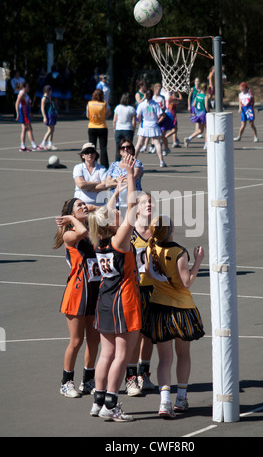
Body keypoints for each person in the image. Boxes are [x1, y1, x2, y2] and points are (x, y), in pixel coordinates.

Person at [89, 153, 142, 422]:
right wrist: (130, 178)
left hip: (105, 299)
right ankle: (112, 405)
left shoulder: (99, 240)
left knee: (106, 353)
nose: (116, 211)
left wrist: (115, 191)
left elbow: (105, 213)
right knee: (121, 354)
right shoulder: (120, 240)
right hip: (124, 298)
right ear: (110, 222)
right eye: (113, 213)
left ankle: (98, 402)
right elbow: (132, 207)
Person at [142, 215, 205, 418]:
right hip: (181, 309)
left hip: (158, 308)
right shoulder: (179, 252)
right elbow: (186, 282)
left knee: (164, 359)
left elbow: (148, 273)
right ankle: (181, 398)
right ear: (170, 230)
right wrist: (198, 262)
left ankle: (164, 402)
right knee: (183, 354)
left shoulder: (150, 250)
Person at [54, 198, 101, 398]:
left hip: (96, 290)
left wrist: (91, 208)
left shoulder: (93, 231)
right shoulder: (70, 235)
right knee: (76, 341)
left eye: (84, 204)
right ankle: (66, 382)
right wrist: (73, 219)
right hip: (77, 293)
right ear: (70, 214)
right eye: (78, 205)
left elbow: (107, 213)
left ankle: (88, 380)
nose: (83, 206)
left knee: (93, 340)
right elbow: (80, 232)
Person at [125, 192, 156, 396]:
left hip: (154, 290)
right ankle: (130, 378)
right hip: (135, 290)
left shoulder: (156, 232)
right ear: (135, 208)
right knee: (134, 335)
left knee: (149, 335)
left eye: (151, 201)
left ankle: (144, 374)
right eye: (144, 202)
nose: (149, 205)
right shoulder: (129, 233)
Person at [106, 139, 143, 218]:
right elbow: (107, 183)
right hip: (116, 203)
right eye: (123, 148)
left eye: (128, 147)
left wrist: (116, 179)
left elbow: (133, 178)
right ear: (119, 151)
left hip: (131, 202)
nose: (125, 149)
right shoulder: (114, 165)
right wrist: (122, 181)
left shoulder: (137, 164)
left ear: (132, 150)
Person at [135, 89, 167, 168]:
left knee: (139, 143)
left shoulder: (142, 104)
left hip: (144, 126)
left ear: (145, 95)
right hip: (154, 126)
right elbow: (160, 115)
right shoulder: (155, 104)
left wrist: (140, 120)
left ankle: (133, 159)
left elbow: (138, 116)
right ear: (152, 95)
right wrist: (156, 119)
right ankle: (161, 161)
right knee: (157, 143)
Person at [73, 142, 108, 206]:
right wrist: (96, 183)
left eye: (92, 152)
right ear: (83, 155)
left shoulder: (102, 169)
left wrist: (88, 187)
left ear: (95, 154)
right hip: (81, 205)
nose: (90, 154)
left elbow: (105, 185)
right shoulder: (78, 167)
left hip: (98, 205)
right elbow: (81, 184)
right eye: (86, 152)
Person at [15, 82, 43, 152]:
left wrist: (29, 112)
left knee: (24, 130)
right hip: (23, 113)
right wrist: (18, 113)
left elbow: (26, 103)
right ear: (24, 87)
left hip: (25, 112)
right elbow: (17, 103)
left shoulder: (24, 93)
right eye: (27, 87)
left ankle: (22, 146)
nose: (28, 88)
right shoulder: (22, 93)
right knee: (29, 129)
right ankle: (34, 145)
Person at [86, 88, 109, 169]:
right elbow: (107, 113)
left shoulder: (89, 104)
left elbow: (87, 115)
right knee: (103, 148)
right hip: (102, 126)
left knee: (92, 147)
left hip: (92, 126)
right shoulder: (103, 104)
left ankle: (92, 164)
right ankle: (105, 166)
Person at [184, 83, 210, 148]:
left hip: (198, 114)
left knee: (200, 130)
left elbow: (194, 104)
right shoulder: (205, 96)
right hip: (203, 114)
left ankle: (189, 138)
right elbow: (206, 107)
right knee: (208, 129)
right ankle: (206, 144)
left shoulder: (197, 95)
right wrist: (209, 111)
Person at [113, 92, 136, 161]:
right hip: (128, 129)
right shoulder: (131, 108)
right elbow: (133, 122)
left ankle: (117, 162)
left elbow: (114, 120)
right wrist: (133, 130)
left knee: (118, 148)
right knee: (128, 149)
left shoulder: (117, 107)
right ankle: (128, 162)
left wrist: (115, 129)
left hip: (119, 129)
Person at [40, 85, 58, 150]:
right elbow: (42, 108)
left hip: (52, 114)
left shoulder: (49, 96)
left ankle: (50, 144)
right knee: (50, 130)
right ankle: (43, 143)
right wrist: (44, 117)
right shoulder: (44, 98)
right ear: (48, 91)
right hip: (48, 115)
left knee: (52, 129)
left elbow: (52, 105)